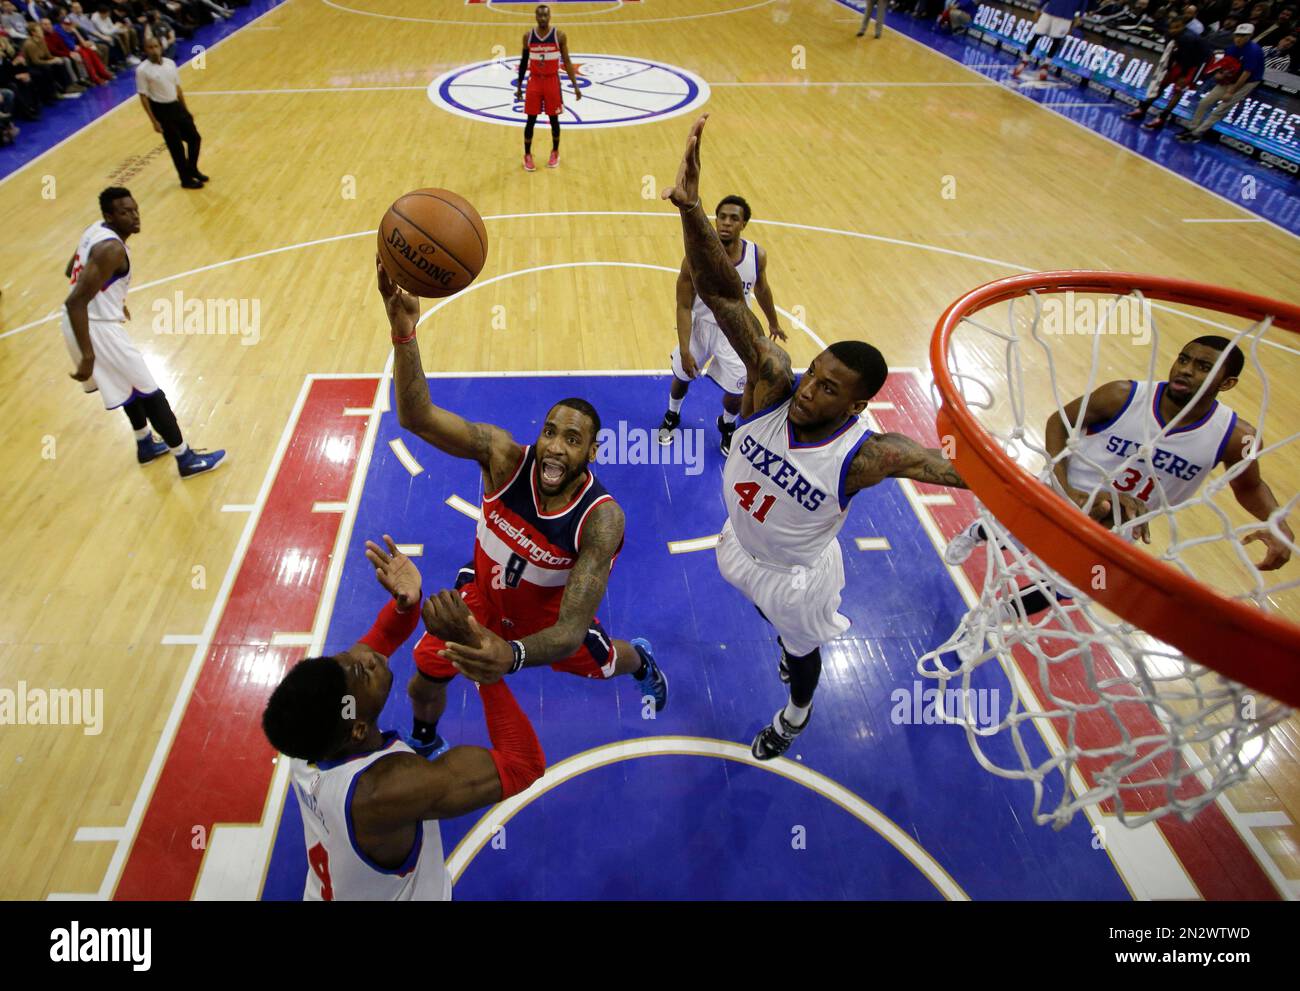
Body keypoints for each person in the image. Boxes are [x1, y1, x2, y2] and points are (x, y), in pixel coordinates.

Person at [661, 115, 968, 761]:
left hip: (798, 577)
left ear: (856, 404)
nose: (809, 389)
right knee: (764, 609)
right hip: (738, 543)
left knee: (800, 649)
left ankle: (795, 713)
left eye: (829, 389)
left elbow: (952, 469)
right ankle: (783, 641)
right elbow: (720, 291)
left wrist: (1060, 494)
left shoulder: (867, 454)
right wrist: (690, 207)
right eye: (815, 373)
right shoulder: (773, 382)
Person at [375, 258, 668, 759]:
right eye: (551, 431)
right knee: (424, 679)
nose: (555, 447)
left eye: (573, 440)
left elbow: (573, 629)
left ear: (593, 452)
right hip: (482, 601)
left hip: (549, 624)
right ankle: (424, 738)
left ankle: (641, 661)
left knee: (601, 661)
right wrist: (405, 333)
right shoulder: (503, 457)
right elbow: (416, 415)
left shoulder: (601, 519)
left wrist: (511, 656)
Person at [943, 337, 1293, 655]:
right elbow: (1058, 422)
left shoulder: (1235, 437)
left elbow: (1248, 486)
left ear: (1227, 383)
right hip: (1064, 492)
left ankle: (989, 618)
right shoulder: (1123, 395)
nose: (1186, 369)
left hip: (1122, 525)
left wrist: (1276, 522)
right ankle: (974, 534)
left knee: (1066, 588)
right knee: (1009, 534)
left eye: (1204, 367)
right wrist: (1070, 491)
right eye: (1184, 359)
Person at [262, 535, 546, 901]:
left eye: (347, 659)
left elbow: (379, 637)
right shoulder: (387, 789)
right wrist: (477, 657)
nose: (364, 656)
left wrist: (404, 604)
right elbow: (523, 765)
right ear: (358, 728)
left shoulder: (308, 734)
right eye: (361, 673)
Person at [63, 187, 227, 478]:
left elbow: (71, 270)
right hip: (94, 327)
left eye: (135, 209)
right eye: (125, 213)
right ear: (109, 215)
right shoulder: (111, 249)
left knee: (128, 387)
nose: (134, 216)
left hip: (85, 321)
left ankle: (145, 443)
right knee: (150, 392)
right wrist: (88, 354)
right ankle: (185, 458)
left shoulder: (95, 231)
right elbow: (75, 299)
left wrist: (113, 297)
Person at [656, 194, 787, 456]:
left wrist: (773, 322)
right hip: (700, 327)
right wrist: (684, 349)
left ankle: (726, 425)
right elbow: (683, 306)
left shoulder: (756, 255)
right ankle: (672, 414)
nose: (726, 223)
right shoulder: (695, 259)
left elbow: (762, 288)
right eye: (722, 217)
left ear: (744, 224)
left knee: (737, 391)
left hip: (736, 331)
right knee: (682, 376)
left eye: (733, 218)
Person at [513, 3, 580, 171]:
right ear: (536, 17)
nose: (542, 18)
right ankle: (527, 155)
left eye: (545, 15)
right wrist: (519, 86)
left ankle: (555, 152)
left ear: (549, 17)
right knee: (531, 119)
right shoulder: (528, 36)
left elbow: (567, 61)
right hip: (535, 81)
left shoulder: (559, 36)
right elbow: (523, 63)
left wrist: (575, 85)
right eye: (539, 15)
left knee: (554, 119)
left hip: (552, 81)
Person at [136, 35, 205, 187]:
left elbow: (177, 87)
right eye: (150, 47)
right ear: (145, 50)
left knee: (195, 138)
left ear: (161, 47)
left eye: (156, 46)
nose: (154, 50)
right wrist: (153, 121)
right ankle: (185, 180)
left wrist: (185, 109)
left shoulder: (170, 63)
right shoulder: (142, 70)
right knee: (177, 148)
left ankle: (192, 168)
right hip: (161, 110)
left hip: (176, 106)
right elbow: (143, 96)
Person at [1178, 22, 1266, 140]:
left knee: (1220, 109)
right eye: (1237, 35)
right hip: (1231, 76)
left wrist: (1231, 92)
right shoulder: (1231, 48)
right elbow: (1225, 65)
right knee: (1204, 102)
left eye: (1243, 36)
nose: (1239, 38)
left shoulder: (1254, 51)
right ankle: (1192, 127)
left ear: (1249, 37)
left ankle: (1197, 133)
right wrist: (1219, 74)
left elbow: (1246, 74)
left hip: (1247, 81)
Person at [1122, 15, 1208, 129]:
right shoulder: (1169, 35)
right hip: (1178, 60)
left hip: (1196, 63)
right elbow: (1169, 53)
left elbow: (1190, 59)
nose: (1173, 30)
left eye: (1177, 27)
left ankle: (1162, 118)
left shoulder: (1188, 38)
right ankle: (1142, 108)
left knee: (1178, 90)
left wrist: (1183, 76)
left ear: (1183, 26)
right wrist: (1167, 68)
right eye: (1171, 27)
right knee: (1160, 84)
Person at [1013, 0, 1089, 80]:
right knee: (1036, 36)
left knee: (1056, 41)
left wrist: (1080, 17)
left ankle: (1045, 65)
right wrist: (1039, 8)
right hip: (1049, 12)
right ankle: (1024, 61)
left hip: (1066, 17)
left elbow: (1084, 3)